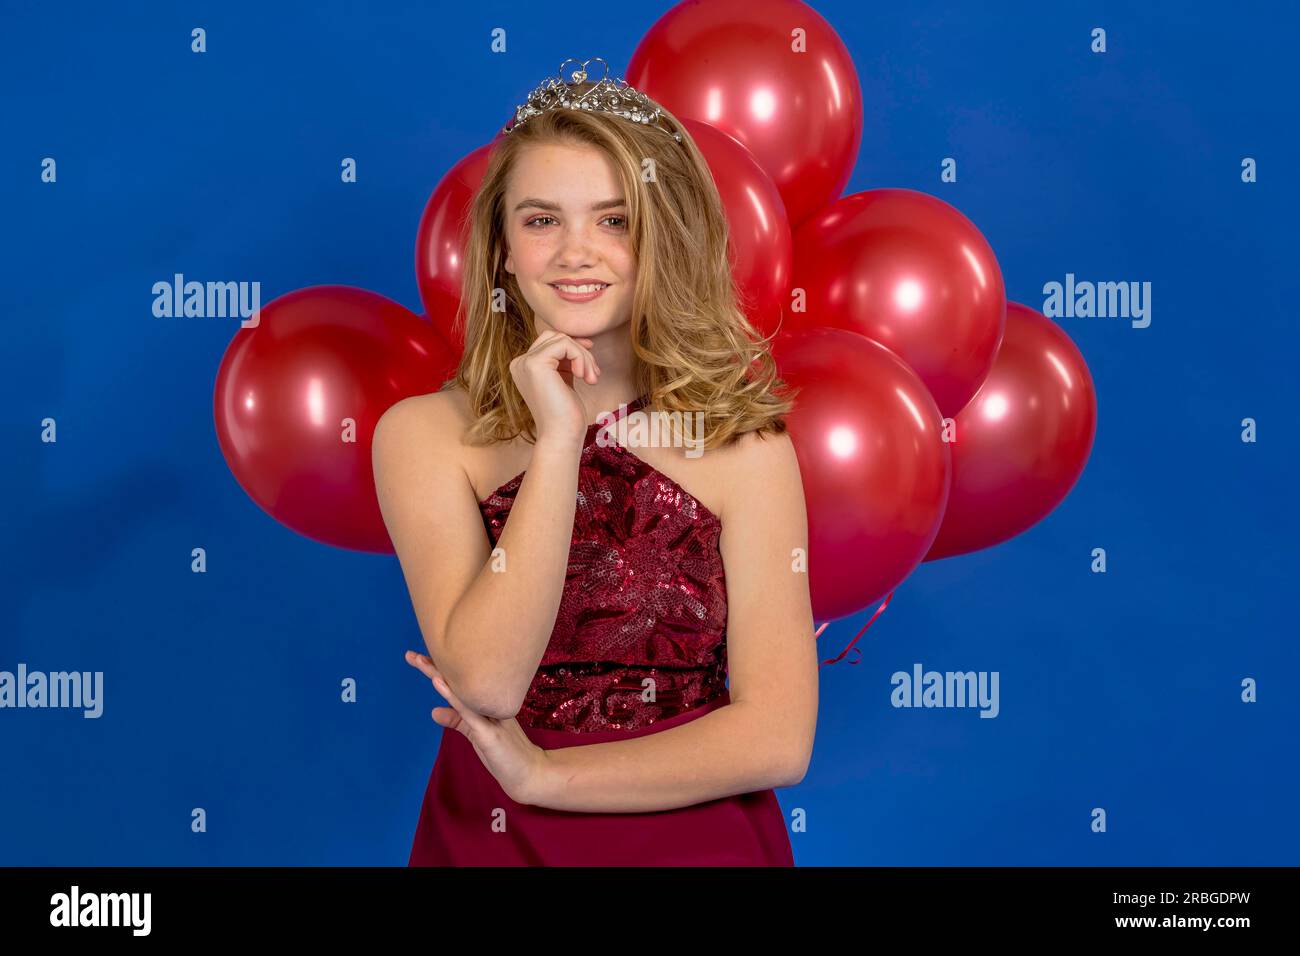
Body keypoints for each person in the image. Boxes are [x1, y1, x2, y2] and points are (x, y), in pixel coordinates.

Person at [372, 58, 818, 866]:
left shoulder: (745, 446)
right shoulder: (423, 435)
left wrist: (549, 778)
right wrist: (559, 440)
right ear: (502, 248)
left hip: (693, 837)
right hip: (494, 836)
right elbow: (488, 684)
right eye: (542, 220)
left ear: (664, 237)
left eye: (615, 220)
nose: (577, 252)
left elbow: (779, 737)